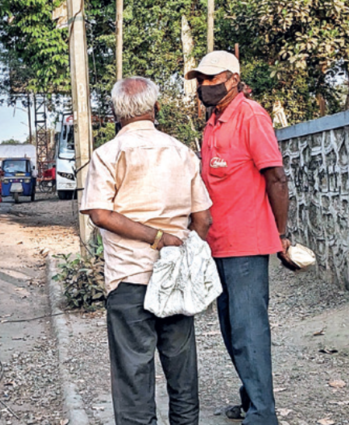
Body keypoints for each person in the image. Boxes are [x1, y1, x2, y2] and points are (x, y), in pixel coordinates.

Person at [79, 77, 213, 425]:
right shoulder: (182, 152)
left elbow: (100, 214)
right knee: (182, 374)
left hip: (128, 279)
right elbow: (203, 219)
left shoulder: (107, 154)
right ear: (156, 109)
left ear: (115, 113)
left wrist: (154, 238)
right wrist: (179, 250)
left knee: (133, 377)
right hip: (175, 278)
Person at [186, 51, 289, 425]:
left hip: (246, 242)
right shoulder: (214, 122)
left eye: (211, 79)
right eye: (200, 80)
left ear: (233, 79)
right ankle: (251, 400)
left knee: (249, 330)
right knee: (232, 329)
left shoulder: (251, 116)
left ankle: (263, 415)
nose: (203, 87)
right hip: (218, 241)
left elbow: (276, 177)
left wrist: (282, 236)